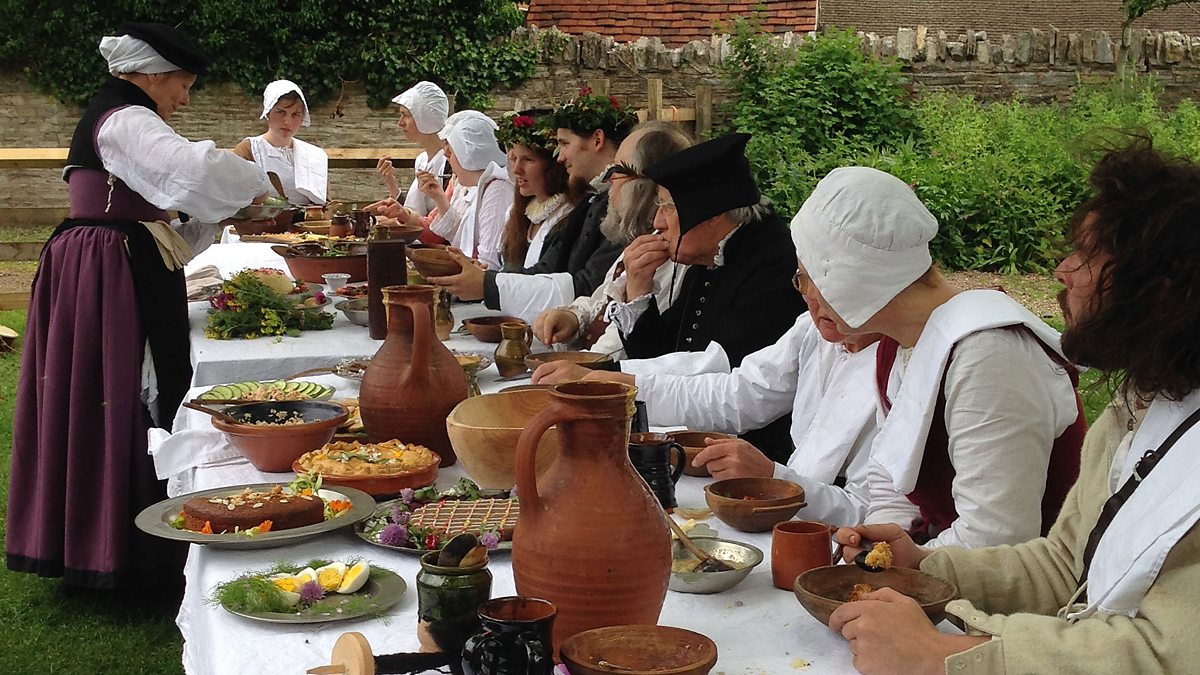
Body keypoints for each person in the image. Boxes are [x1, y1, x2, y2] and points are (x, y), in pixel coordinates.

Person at [829, 140, 1200, 675]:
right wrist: (928, 567)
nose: (1062, 272)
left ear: (1159, 293)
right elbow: (1062, 566)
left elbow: (1164, 656)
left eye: (1088, 258)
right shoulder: (1136, 409)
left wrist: (949, 657)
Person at [6, 22, 269, 589]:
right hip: (107, 269)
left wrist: (220, 212)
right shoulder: (126, 118)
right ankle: (118, 549)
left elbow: (165, 216)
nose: (185, 98)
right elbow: (194, 171)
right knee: (116, 392)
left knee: (115, 392)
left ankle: (127, 539)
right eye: (183, 85)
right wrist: (257, 179)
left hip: (112, 259)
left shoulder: (122, 116)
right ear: (152, 74)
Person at [791, 166, 1085, 550]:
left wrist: (908, 562)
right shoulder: (898, 344)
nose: (806, 292)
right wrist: (877, 543)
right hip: (945, 567)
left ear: (843, 278)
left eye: (805, 276)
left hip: (1012, 592)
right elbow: (891, 480)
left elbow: (997, 537)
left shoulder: (988, 356)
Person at [534, 133, 806, 462]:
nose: (657, 222)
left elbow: (719, 374)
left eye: (668, 208)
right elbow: (665, 351)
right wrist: (638, 290)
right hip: (695, 441)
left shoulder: (773, 264)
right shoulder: (708, 255)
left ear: (711, 213)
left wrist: (606, 378)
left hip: (753, 456)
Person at [425, 89, 633, 319]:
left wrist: (490, 284)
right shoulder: (591, 202)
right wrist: (491, 279)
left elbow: (582, 284)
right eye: (513, 158)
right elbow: (547, 274)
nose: (561, 157)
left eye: (564, 144)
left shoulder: (594, 206)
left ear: (597, 140)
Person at [532, 120, 693, 354]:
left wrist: (578, 368)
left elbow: (616, 349)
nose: (607, 181)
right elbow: (605, 299)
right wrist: (575, 317)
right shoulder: (643, 241)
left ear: (641, 185)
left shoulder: (669, 254)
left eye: (614, 172)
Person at [494, 111, 577, 270]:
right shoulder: (519, 211)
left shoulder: (568, 214)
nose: (517, 169)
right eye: (515, 159)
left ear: (553, 166)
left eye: (528, 160)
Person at [233, 79, 328, 205]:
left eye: (295, 115)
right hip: (262, 223)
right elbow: (234, 197)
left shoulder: (314, 155)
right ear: (268, 113)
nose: (288, 122)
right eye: (281, 112)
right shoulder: (249, 149)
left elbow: (325, 205)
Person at [376, 81, 449, 217]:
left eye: (406, 115)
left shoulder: (449, 163)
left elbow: (442, 220)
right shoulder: (422, 160)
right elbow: (415, 214)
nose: (400, 123)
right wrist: (392, 183)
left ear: (424, 117)